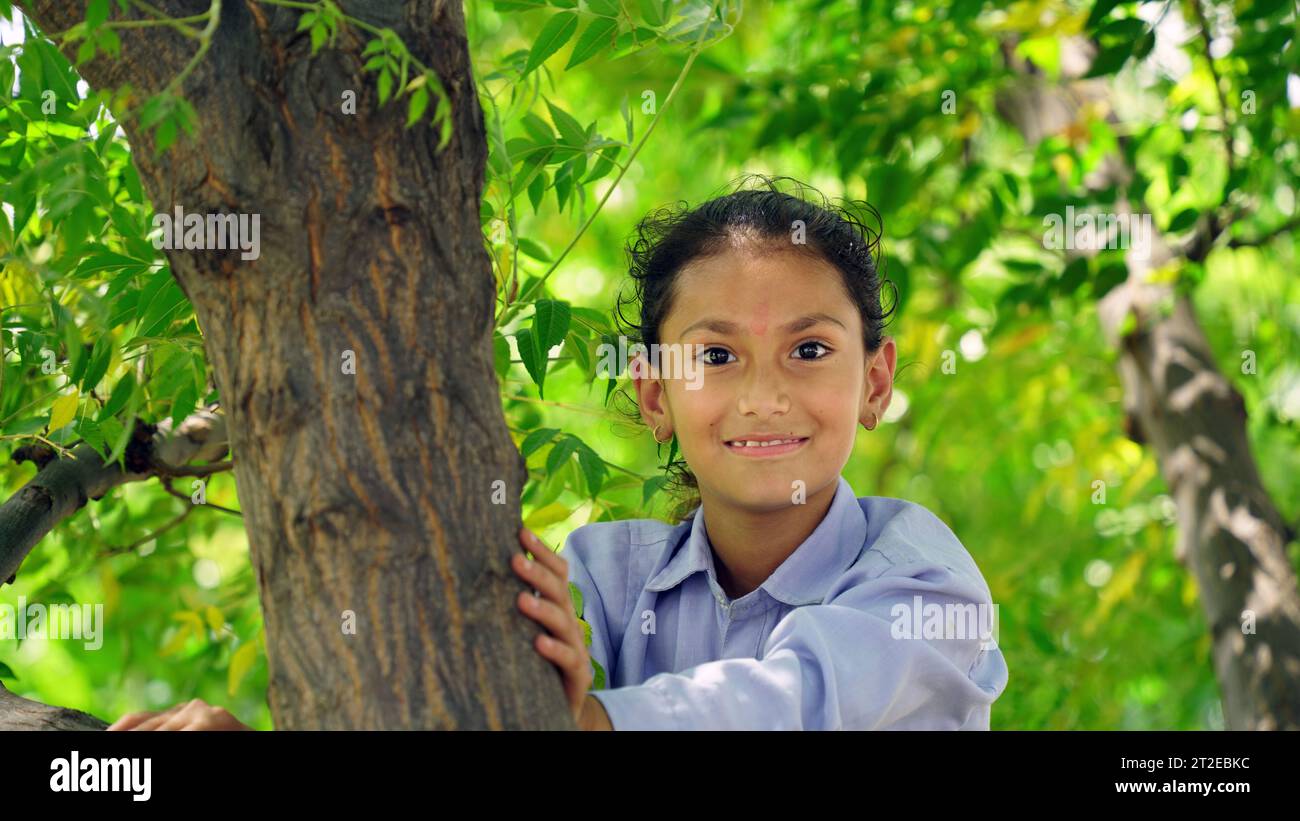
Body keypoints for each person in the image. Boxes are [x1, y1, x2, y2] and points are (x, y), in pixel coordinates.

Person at [513, 175, 1009, 730]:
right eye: (718, 356)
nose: (764, 400)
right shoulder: (602, 582)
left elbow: (801, 703)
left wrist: (596, 719)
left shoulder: (929, 587)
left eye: (810, 349)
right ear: (656, 397)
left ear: (874, 383)